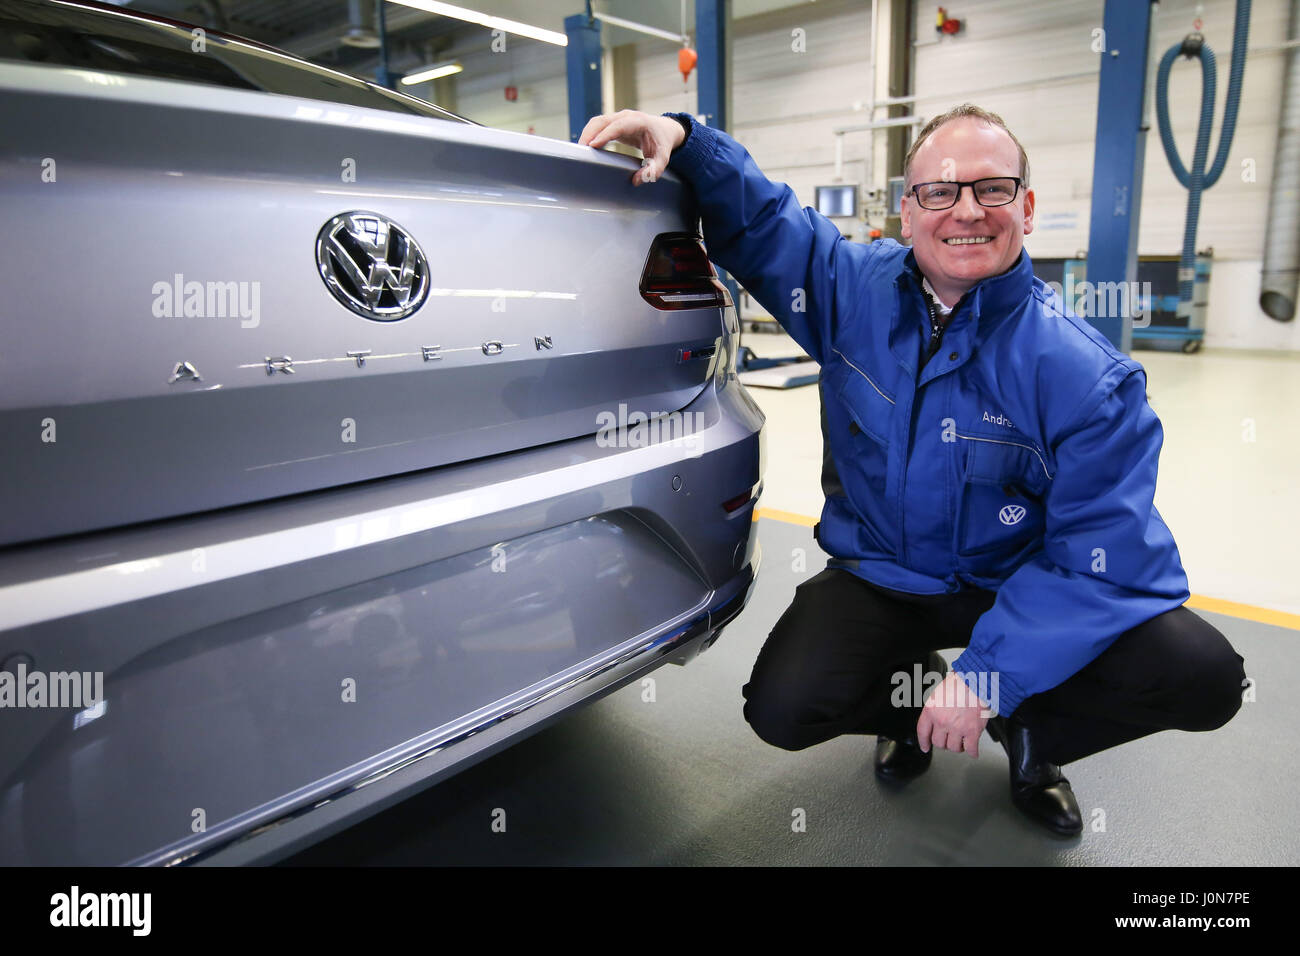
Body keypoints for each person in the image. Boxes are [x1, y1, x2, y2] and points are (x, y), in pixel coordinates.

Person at [579, 104, 1246, 837]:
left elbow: (1103, 563)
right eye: (940, 191)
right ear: (907, 211)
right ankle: (915, 703)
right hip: (887, 577)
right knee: (784, 706)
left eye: (992, 189)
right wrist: (688, 142)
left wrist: (991, 676)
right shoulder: (848, 291)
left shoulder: (1088, 377)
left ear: (1025, 206)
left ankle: (1033, 737)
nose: (966, 211)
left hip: (1017, 585)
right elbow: (766, 222)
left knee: (1202, 676)